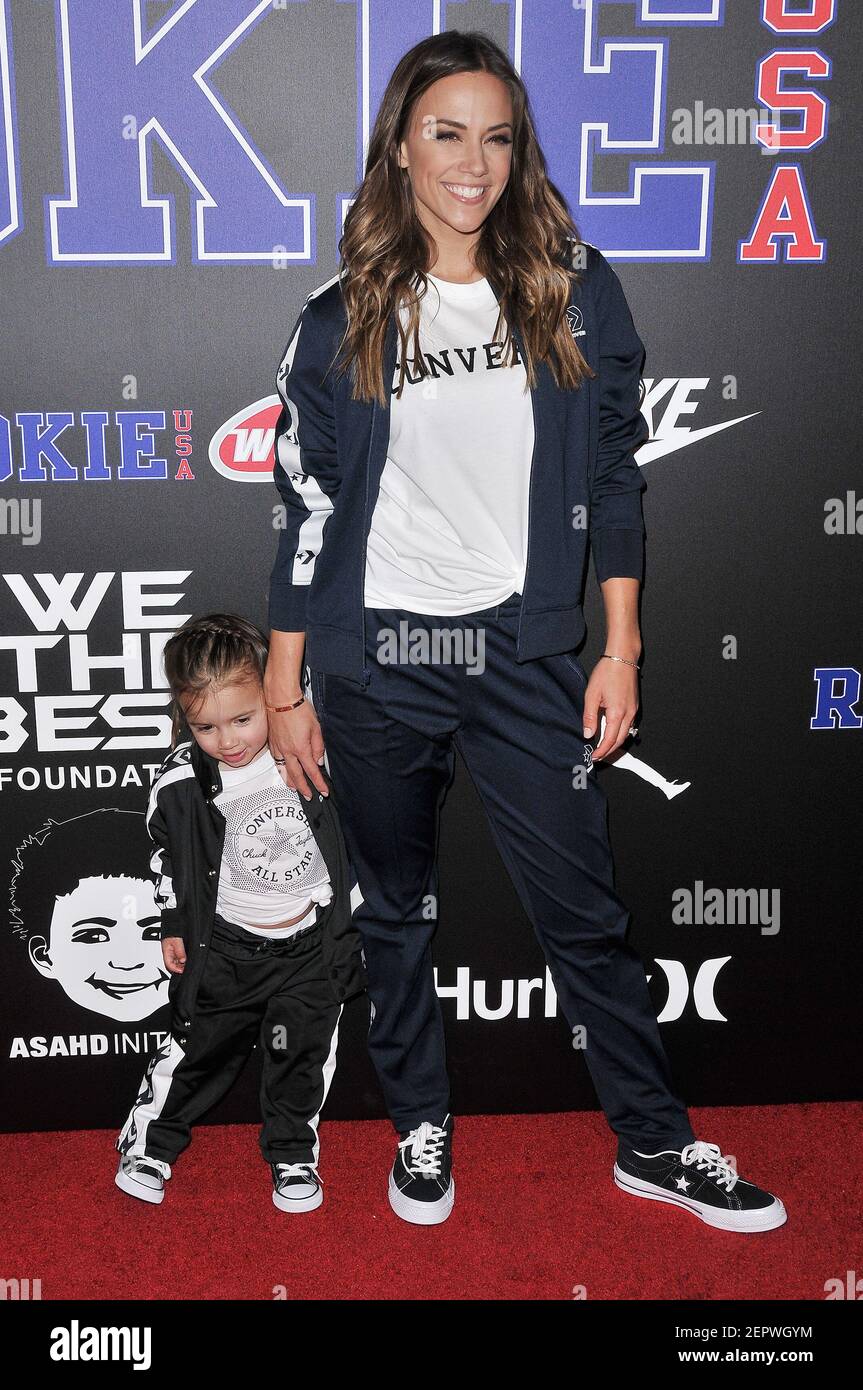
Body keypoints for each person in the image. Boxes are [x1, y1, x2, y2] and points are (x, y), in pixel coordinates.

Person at [264, 32, 786, 1233]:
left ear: (519, 148)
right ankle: (420, 1124)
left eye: (496, 135)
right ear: (399, 146)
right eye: (445, 131)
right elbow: (307, 504)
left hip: (517, 653)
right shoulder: (339, 313)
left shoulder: (570, 280)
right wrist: (288, 687)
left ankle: (652, 1143)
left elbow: (613, 475)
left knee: (583, 913)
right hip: (381, 655)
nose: (472, 161)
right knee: (393, 905)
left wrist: (619, 647)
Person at [114, 613, 366, 1211]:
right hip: (226, 949)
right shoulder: (180, 784)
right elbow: (167, 857)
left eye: (243, 719)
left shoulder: (311, 750)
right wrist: (174, 922)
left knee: (300, 1057)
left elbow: (354, 834)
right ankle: (150, 1143)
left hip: (308, 946)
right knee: (199, 1052)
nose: (227, 741)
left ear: (271, 698)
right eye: (205, 726)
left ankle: (293, 1154)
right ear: (183, 717)